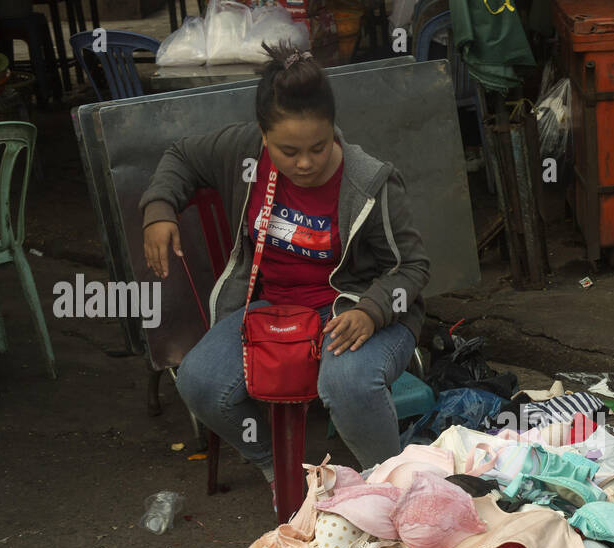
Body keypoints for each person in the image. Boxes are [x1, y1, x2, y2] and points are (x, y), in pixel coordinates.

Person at [139, 41, 430, 494]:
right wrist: (158, 209)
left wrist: (372, 310)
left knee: (348, 382)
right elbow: (181, 156)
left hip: (354, 310)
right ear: (262, 134)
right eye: (288, 150)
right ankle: (284, 470)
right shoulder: (243, 153)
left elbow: (411, 267)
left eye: (318, 146)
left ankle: (388, 487)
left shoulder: (370, 181)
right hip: (274, 308)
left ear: (333, 127)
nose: (306, 163)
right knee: (198, 382)